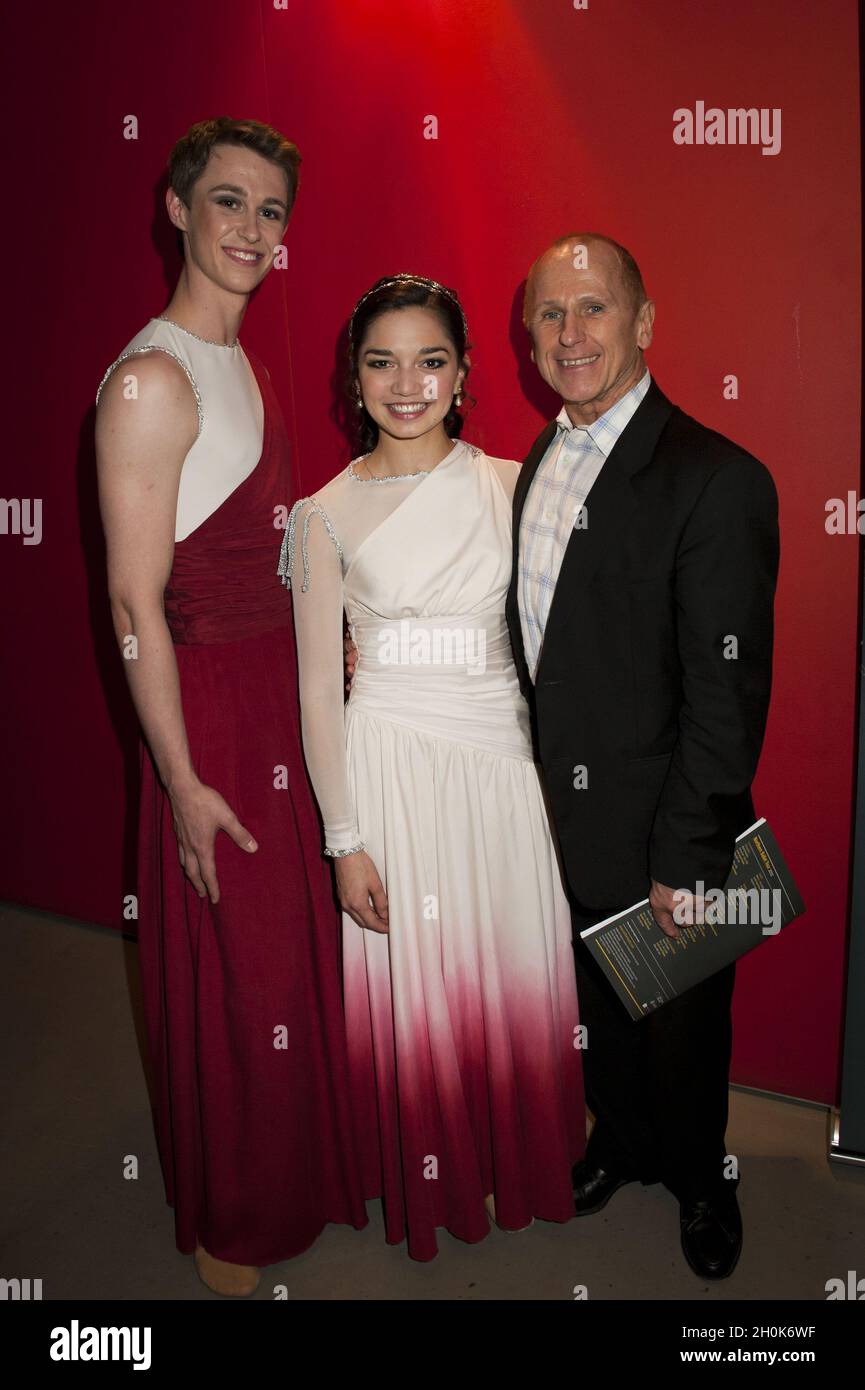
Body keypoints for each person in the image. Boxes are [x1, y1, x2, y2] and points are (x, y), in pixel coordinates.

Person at [94, 117, 367, 1297]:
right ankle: (238, 1207)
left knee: (294, 964)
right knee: (244, 967)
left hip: (277, 693)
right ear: (176, 208)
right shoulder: (150, 380)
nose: (252, 230)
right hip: (208, 709)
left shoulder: (245, 364)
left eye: (270, 211)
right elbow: (131, 601)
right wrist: (181, 778)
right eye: (227, 203)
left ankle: (301, 1166)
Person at [279, 274, 585, 1261]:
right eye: (381, 361)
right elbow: (318, 693)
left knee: (512, 974)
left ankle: (518, 1154)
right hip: (389, 772)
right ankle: (435, 1172)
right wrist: (344, 839)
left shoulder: (515, 482)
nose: (405, 383)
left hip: (503, 767)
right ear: (353, 376)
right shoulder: (317, 516)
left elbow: (565, 643)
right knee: (416, 995)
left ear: (461, 374)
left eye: (429, 359)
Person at [506, 232, 779, 1279]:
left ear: (643, 322)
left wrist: (688, 853)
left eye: (593, 309)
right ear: (528, 339)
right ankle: (617, 1141)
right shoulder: (537, 455)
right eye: (549, 315)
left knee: (682, 1030)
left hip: (664, 826)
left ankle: (703, 1182)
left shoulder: (716, 479)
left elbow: (725, 693)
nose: (570, 334)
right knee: (597, 1014)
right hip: (558, 819)